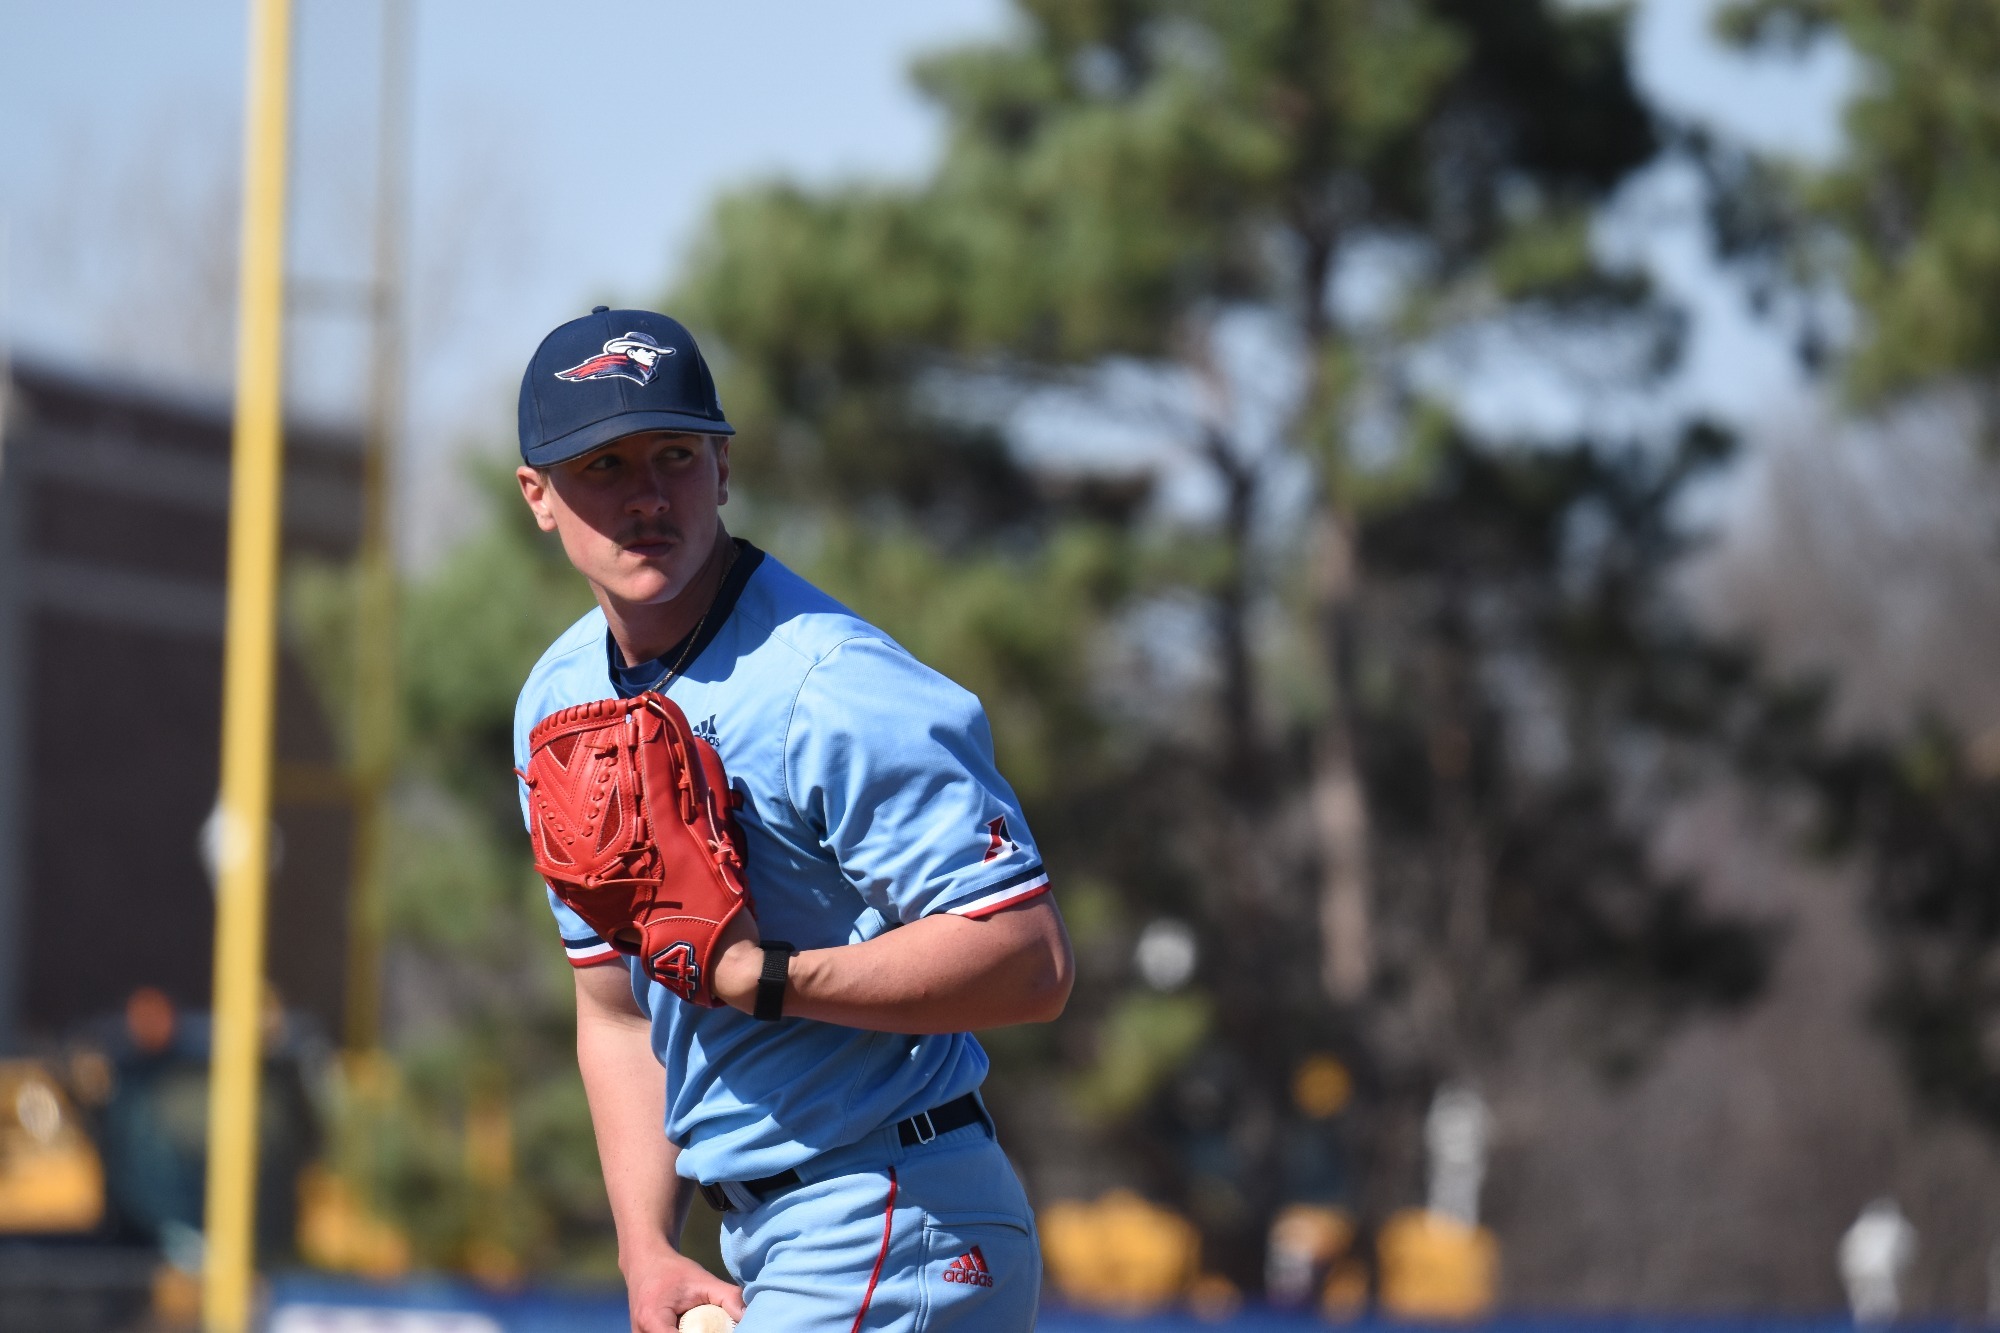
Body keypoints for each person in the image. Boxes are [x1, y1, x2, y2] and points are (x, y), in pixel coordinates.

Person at [511, 306, 1074, 1333]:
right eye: (602, 467)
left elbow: (1028, 959)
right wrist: (646, 1244)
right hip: (768, 1236)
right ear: (537, 496)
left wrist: (765, 977)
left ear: (721, 467)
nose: (645, 495)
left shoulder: (828, 684)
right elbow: (616, 1010)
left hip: (897, 1211)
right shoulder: (556, 706)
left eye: (673, 454)